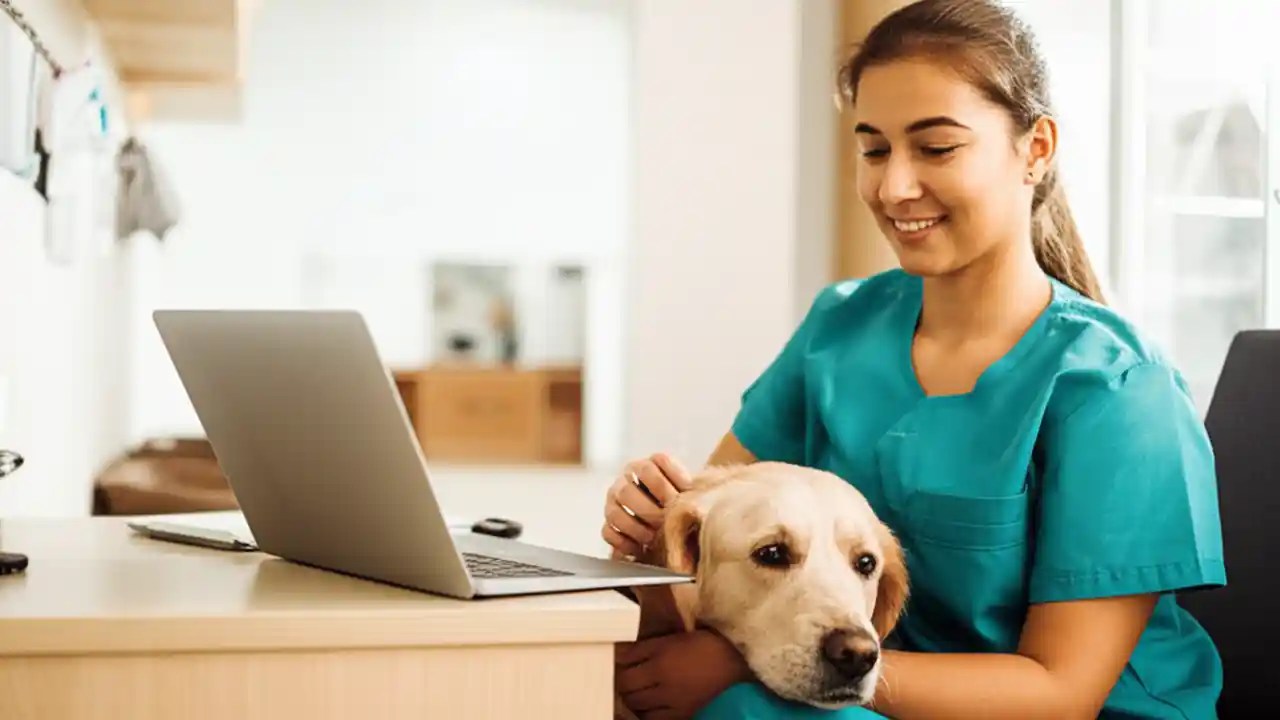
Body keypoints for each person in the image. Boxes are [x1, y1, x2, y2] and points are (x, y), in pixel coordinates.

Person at [604, 1, 1227, 718]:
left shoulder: (1119, 392)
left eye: (936, 148)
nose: (895, 187)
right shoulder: (839, 329)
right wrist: (645, 527)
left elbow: (1062, 693)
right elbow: (716, 557)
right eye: (874, 149)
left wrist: (748, 668)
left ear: (1036, 149)